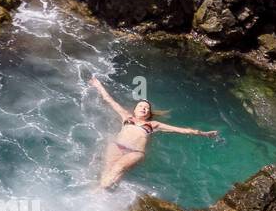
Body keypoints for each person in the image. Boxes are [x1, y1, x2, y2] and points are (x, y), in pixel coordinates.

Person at [88, 75, 219, 189]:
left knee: (118, 168)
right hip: (116, 146)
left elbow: (181, 130)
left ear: (149, 113)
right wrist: (98, 85)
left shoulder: (153, 125)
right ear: (134, 110)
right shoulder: (126, 116)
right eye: (140, 106)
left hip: (135, 152)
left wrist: (204, 133)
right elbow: (110, 100)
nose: (143, 108)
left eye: (146, 108)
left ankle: (100, 190)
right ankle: (103, 194)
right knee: (108, 172)